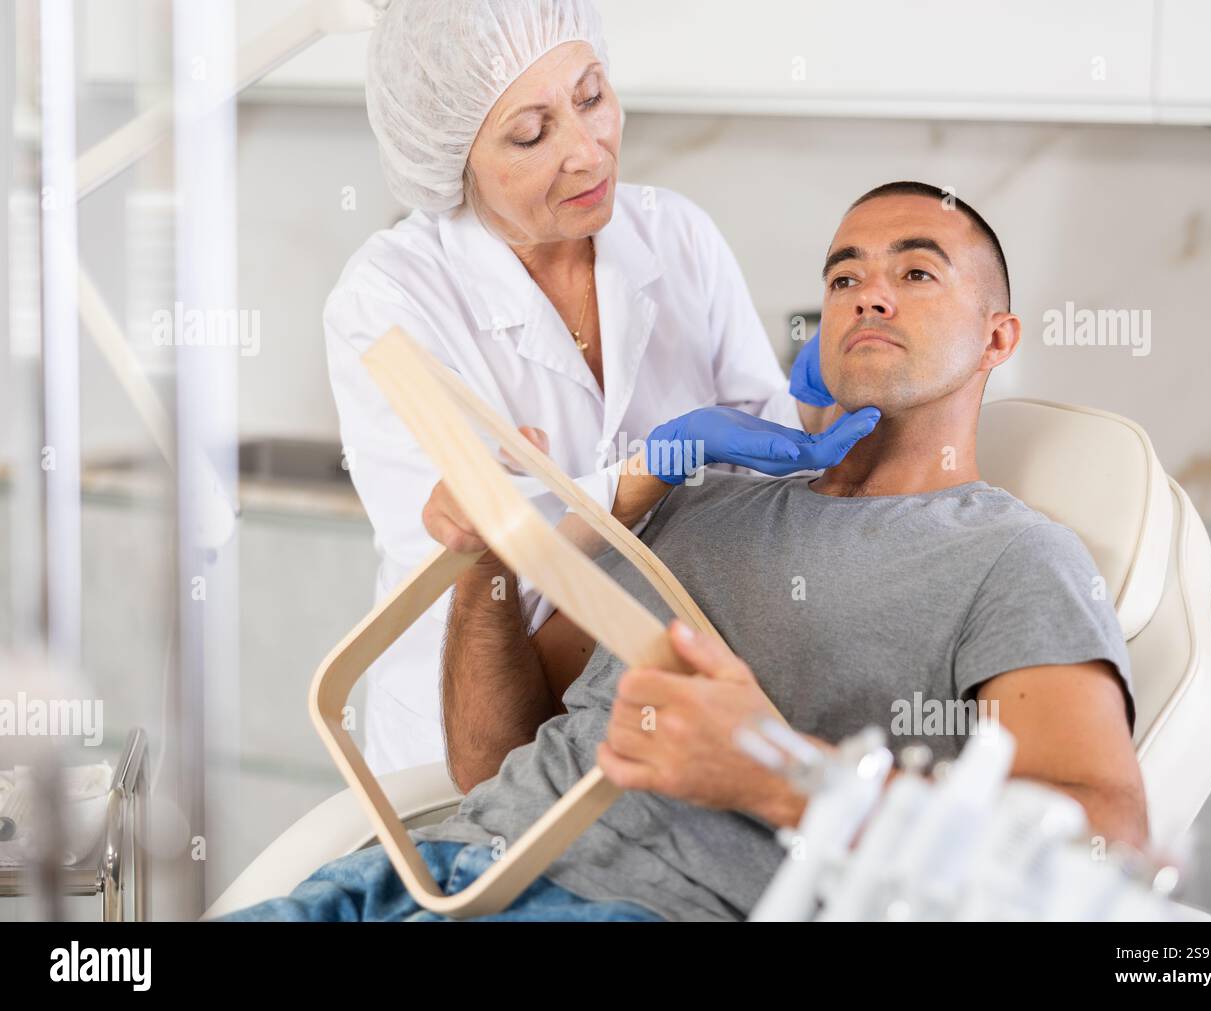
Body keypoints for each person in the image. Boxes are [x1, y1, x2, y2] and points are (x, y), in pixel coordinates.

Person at [220, 182, 1145, 922]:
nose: (869, 289)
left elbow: (1110, 844)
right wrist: (490, 566)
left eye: (917, 273)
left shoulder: (1013, 556)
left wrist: (779, 776)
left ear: (999, 337)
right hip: (427, 870)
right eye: (843, 275)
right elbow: (492, 756)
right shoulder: (701, 503)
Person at [325, 0, 878, 774]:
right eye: (530, 132)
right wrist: (640, 476)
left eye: (589, 96)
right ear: (455, 157)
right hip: (467, 741)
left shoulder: (676, 233)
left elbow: (762, 451)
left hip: (654, 719)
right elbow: (471, 558)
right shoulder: (388, 301)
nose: (589, 152)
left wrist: (811, 405)